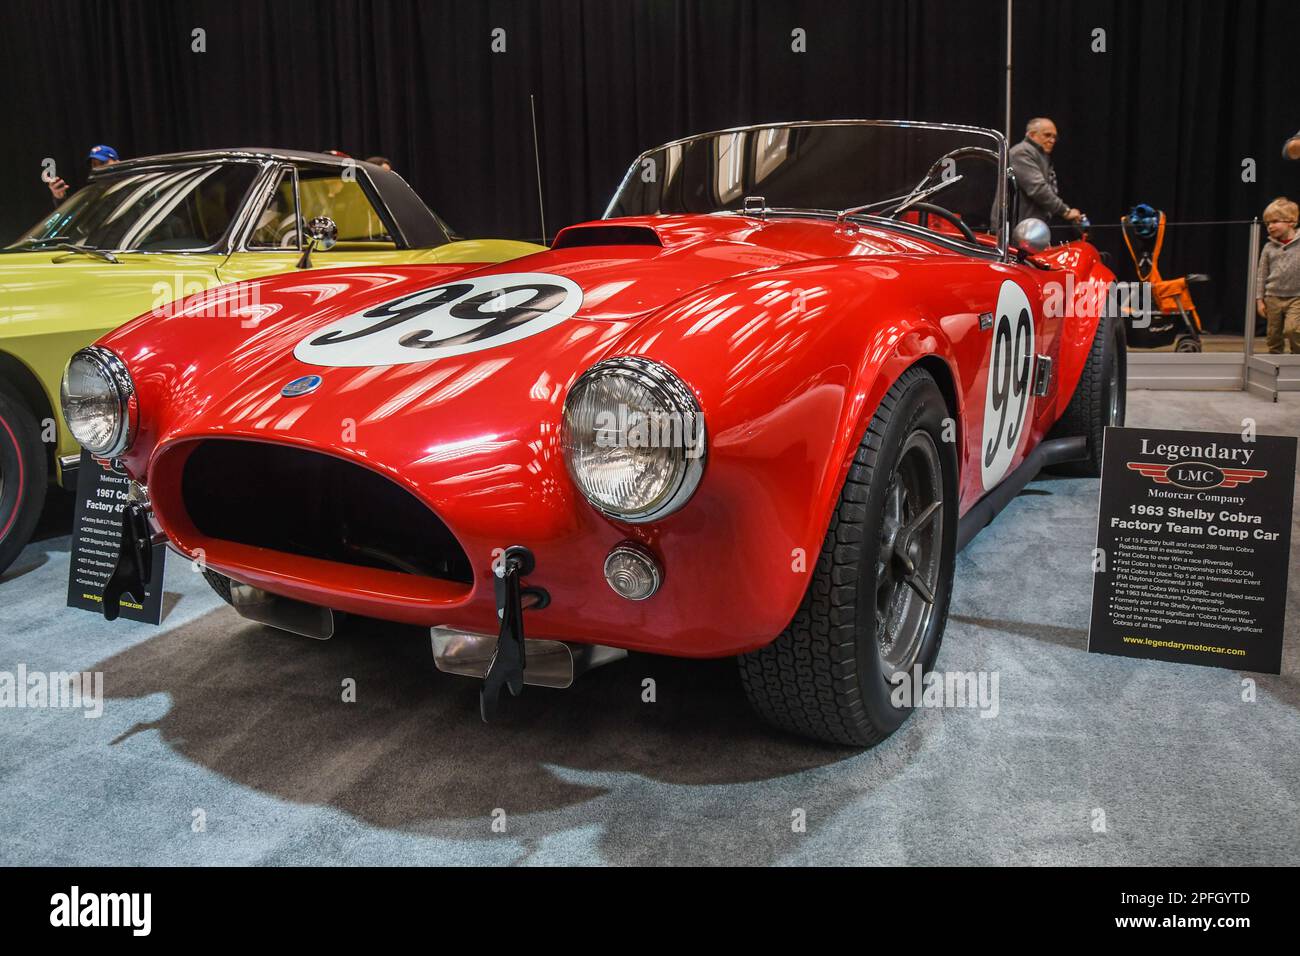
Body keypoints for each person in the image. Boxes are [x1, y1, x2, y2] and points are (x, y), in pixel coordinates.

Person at [1009, 118, 1084, 227]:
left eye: (1054, 137)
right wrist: (1065, 211)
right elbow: (1038, 189)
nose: (1052, 140)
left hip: (1029, 226)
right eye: (1047, 135)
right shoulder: (1022, 152)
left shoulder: (1040, 154)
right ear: (1032, 135)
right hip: (1018, 228)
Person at [1255, 197, 1300, 354]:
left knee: (1293, 330)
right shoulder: (1269, 247)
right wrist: (1259, 300)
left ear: (1291, 222)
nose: (1270, 226)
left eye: (1275, 221)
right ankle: (1275, 363)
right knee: (1273, 335)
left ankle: (1297, 360)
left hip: (1296, 297)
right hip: (1272, 297)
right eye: (1267, 223)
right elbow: (1261, 274)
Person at [47, 144, 119, 203]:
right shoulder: (92, 195)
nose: (98, 168)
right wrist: (59, 198)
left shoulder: (128, 187)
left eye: (103, 162)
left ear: (117, 163)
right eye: (94, 164)